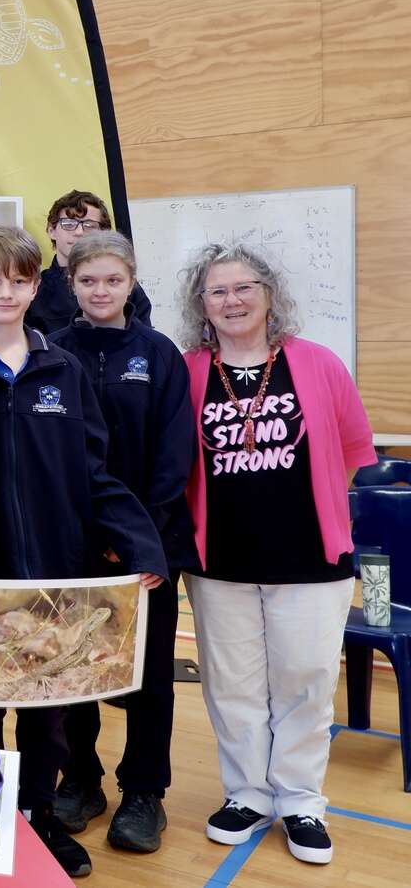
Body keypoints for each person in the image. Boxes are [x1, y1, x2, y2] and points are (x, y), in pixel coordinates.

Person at [0, 226, 168, 879]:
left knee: (49, 709)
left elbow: (94, 470)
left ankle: (41, 817)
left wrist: (139, 543)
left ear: (35, 286)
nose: (5, 292)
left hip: (55, 571)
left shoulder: (63, 368)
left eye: (19, 280)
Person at [178, 243, 372, 867]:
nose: (232, 301)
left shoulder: (316, 363)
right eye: (218, 291)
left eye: (243, 288)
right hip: (220, 561)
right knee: (232, 685)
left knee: (306, 681)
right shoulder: (186, 372)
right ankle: (247, 794)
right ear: (201, 305)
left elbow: (350, 452)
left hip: (309, 558)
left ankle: (300, 799)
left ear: (268, 294)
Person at [48, 232, 195, 854]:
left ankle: (144, 792)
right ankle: (81, 778)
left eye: (112, 279)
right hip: (73, 545)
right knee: (74, 667)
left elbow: (173, 455)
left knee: (148, 673)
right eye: (88, 281)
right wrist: (89, 533)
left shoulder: (159, 354)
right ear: (71, 285)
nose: (100, 291)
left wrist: (135, 536)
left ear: (131, 280)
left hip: (148, 546)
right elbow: (51, 457)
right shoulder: (50, 352)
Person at [27, 190, 152, 334]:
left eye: (89, 225)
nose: (79, 232)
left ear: (104, 232)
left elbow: (144, 343)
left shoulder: (126, 287)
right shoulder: (34, 290)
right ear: (51, 230)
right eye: (68, 224)